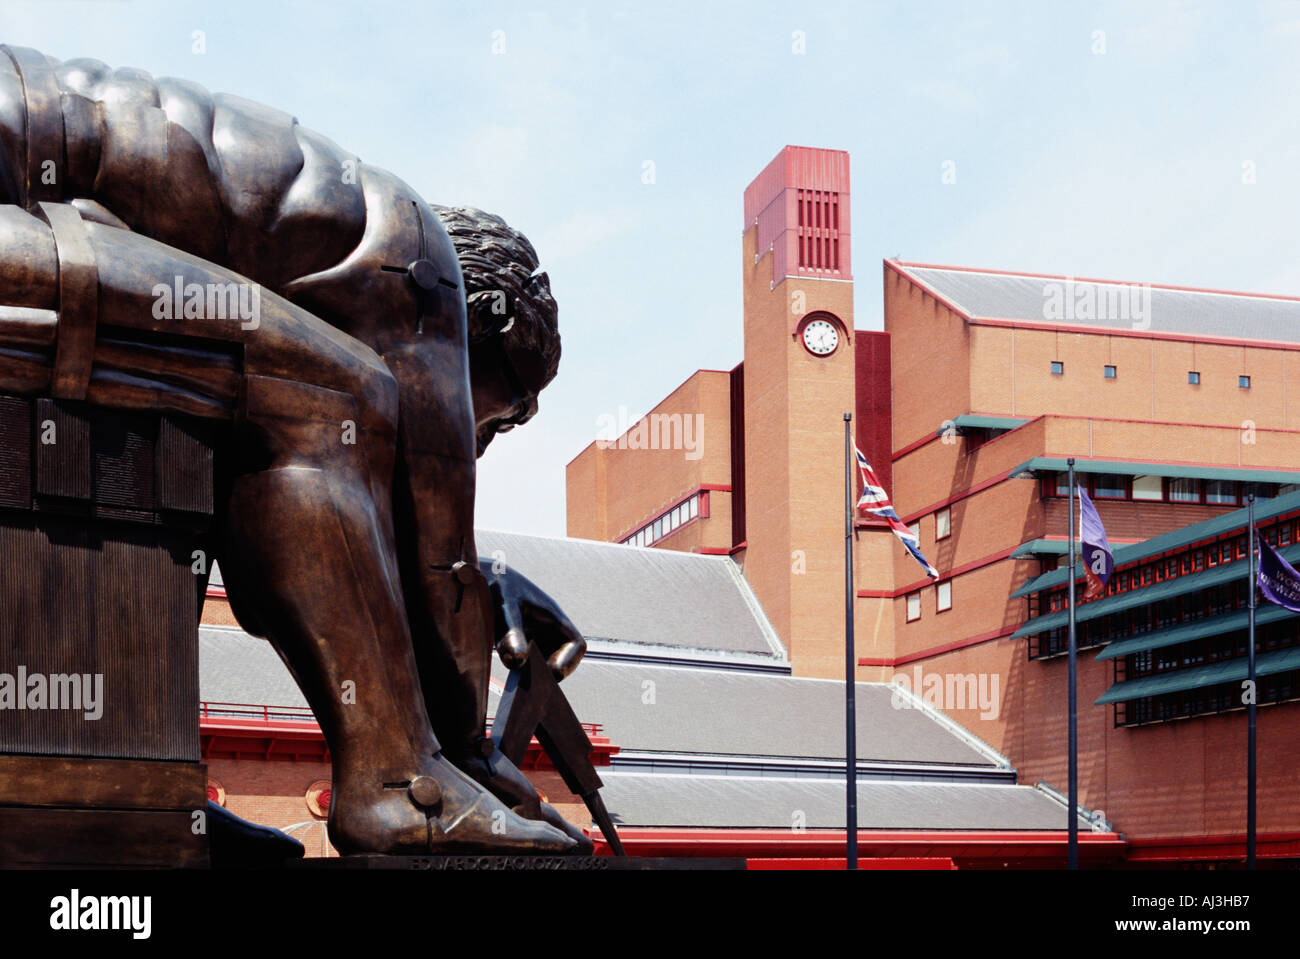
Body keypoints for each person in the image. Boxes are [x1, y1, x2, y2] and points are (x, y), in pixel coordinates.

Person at [0, 44, 587, 855]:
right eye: (494, 418)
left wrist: (479, 608)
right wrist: (473, 760)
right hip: (21, 214)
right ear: (490, 331)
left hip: (33, 208)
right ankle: (399, 788)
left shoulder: (329, 227)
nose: (473, 439)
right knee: (332, 398)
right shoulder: (422, 266)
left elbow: (376, 538)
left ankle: (143, 800)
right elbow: (437, 558)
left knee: (243, 391)